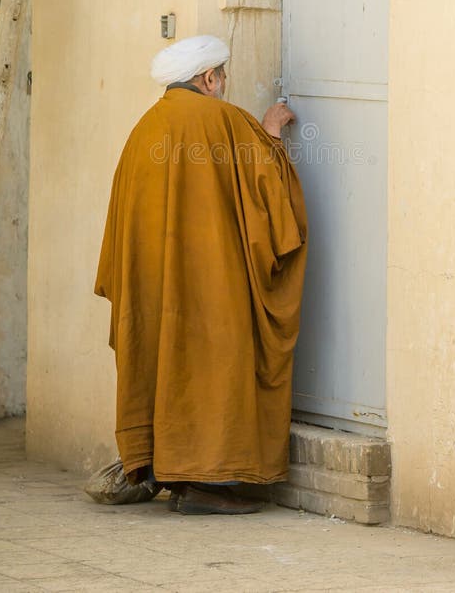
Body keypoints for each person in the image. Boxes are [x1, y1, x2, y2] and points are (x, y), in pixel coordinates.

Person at [94, 34, 307, 515]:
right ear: (208, 78)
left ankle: (167, 472)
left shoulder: (143, 129)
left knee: (164, 364)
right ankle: (205, 482)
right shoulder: (225, 120)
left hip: (152, 290)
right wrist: (272, 133)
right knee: (215, 364)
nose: (223, 84)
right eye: (222, 76)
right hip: (212, 285)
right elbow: (270, 200)